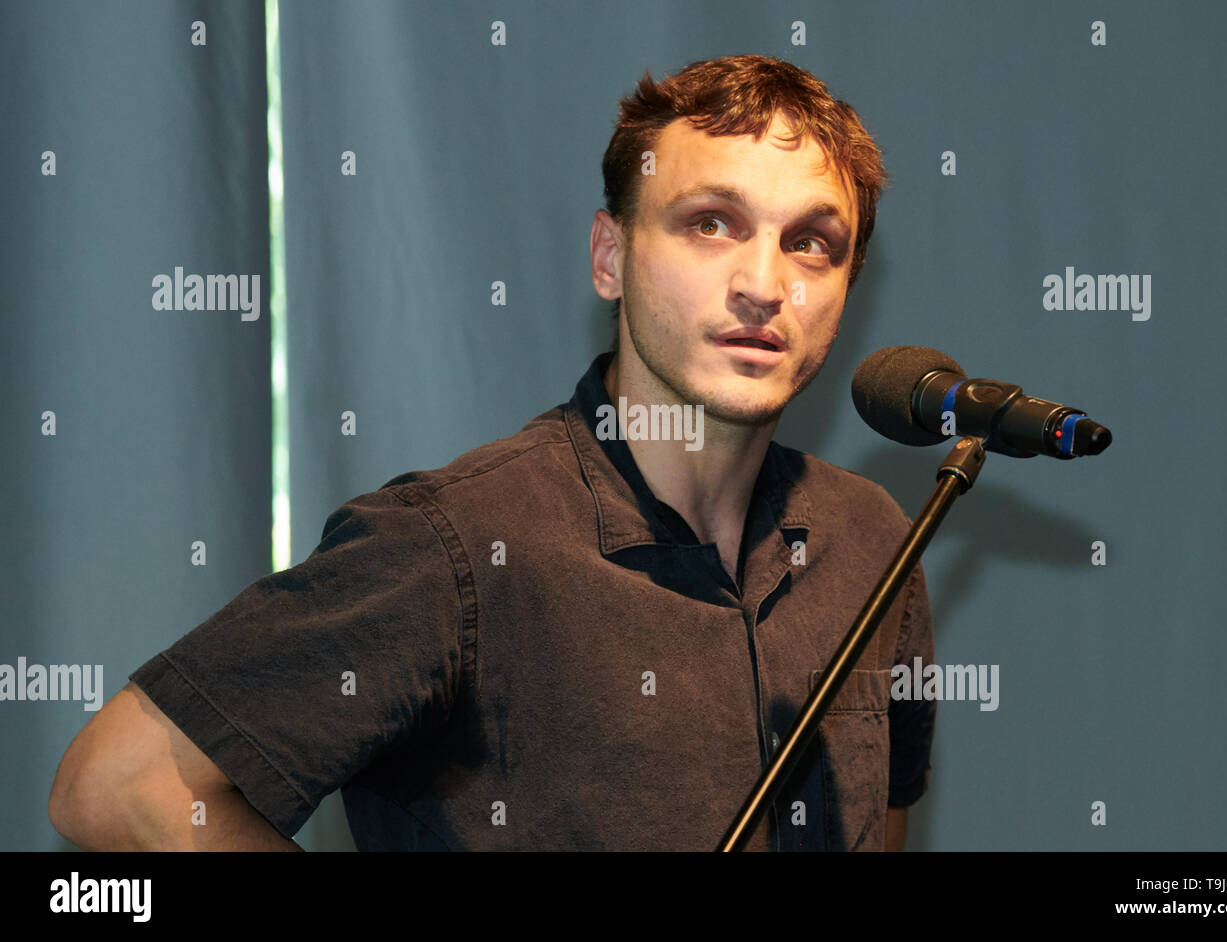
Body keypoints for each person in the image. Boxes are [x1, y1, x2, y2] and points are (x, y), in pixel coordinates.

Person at [48, 54, 935, 852]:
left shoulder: (874, 543)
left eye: (811, 244)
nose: (764, 284)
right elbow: (116, 785)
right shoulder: (460, 546)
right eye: (710, 224)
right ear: (609, 255)